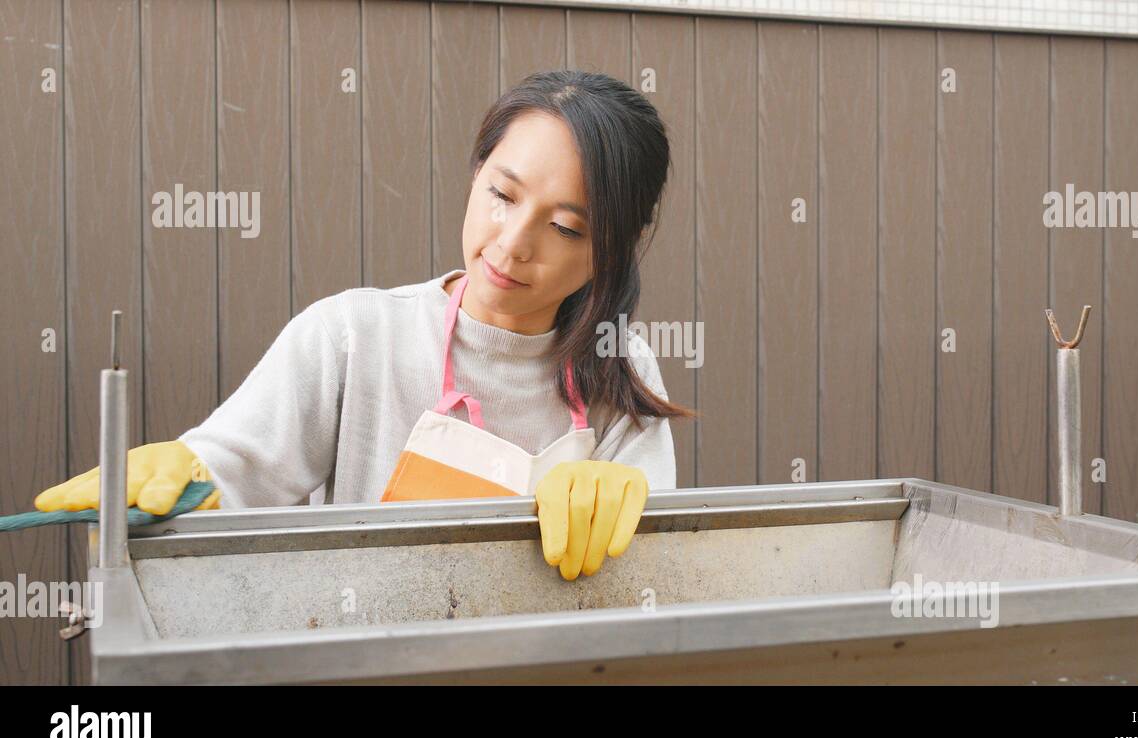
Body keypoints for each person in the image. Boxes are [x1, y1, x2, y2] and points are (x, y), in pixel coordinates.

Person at [34, 70, 694, 581]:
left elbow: (644, 578)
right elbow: (233, 468)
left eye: (565, 227)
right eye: (502, 194)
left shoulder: (623, 369)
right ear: (475, 174)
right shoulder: (355, 336)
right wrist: (189, 469)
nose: (514, 242)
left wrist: (635, 511)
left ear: (611, 245)